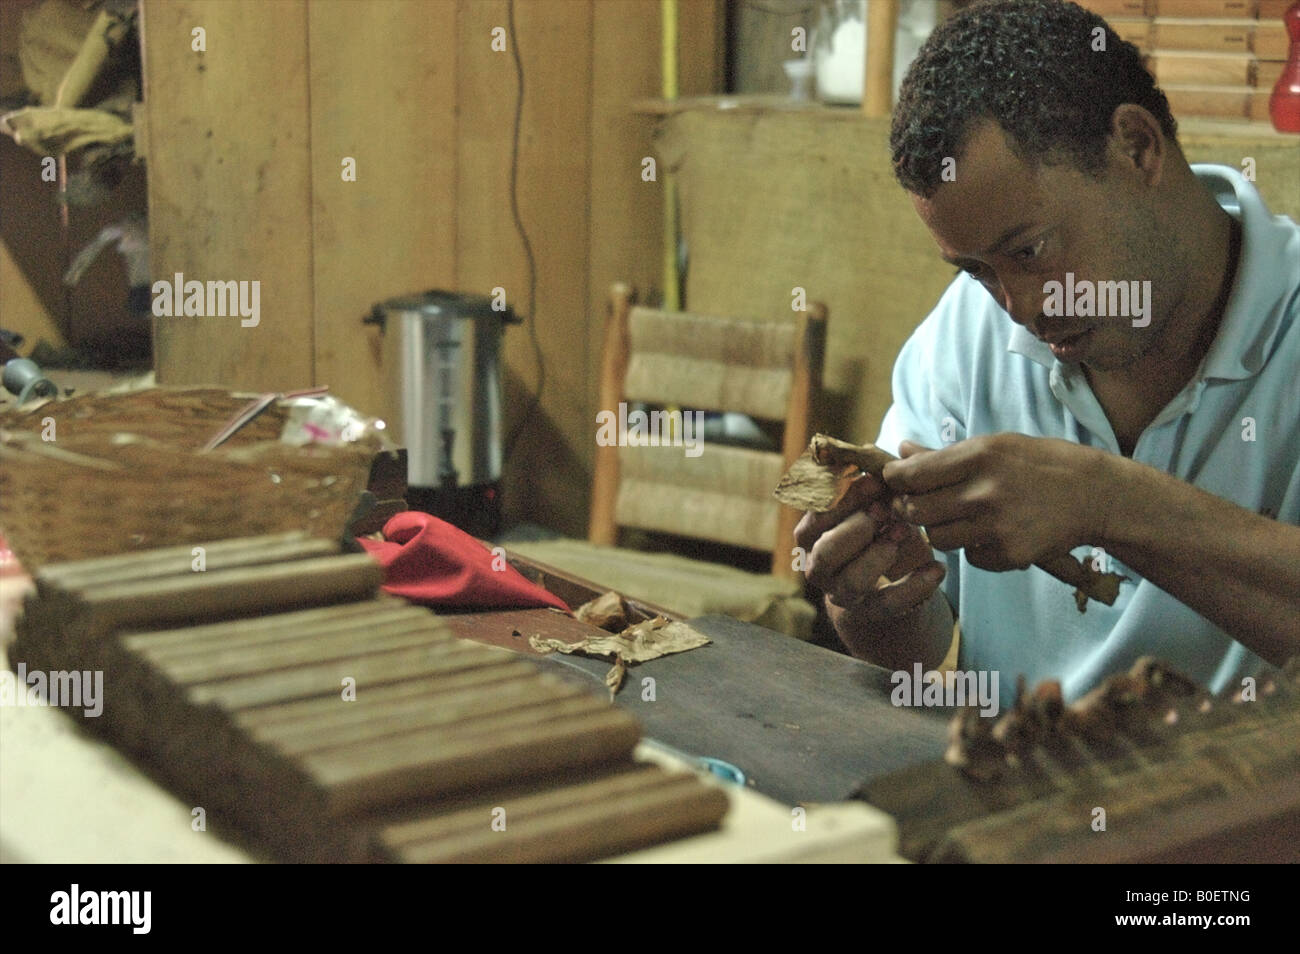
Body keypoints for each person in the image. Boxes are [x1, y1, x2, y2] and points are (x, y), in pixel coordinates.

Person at [795, 0, 1300, 707]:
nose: (1021, 308)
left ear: (1137, 148)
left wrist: (1108, 502)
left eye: (1031, 251)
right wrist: (878, 596)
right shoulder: (966, 333)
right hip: (1015, 769)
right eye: (978, 269)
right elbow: (921, 647)